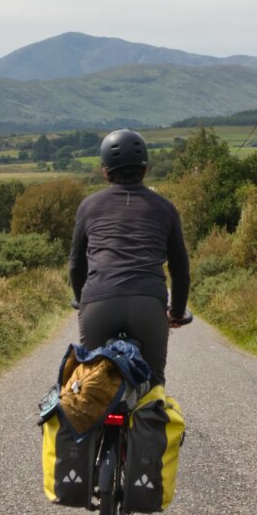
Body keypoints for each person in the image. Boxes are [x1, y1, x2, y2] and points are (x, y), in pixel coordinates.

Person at [69, 128, 190, 386]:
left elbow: (76, 266)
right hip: (148, 304)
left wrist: (83, 303)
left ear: (104, 171)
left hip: (99, 301)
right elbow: (180, 270)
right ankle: (150, 418)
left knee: (90, 384)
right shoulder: (165, 208)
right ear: (145, 169)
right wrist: (177, 313)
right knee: (153, 383)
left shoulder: (88, 206)